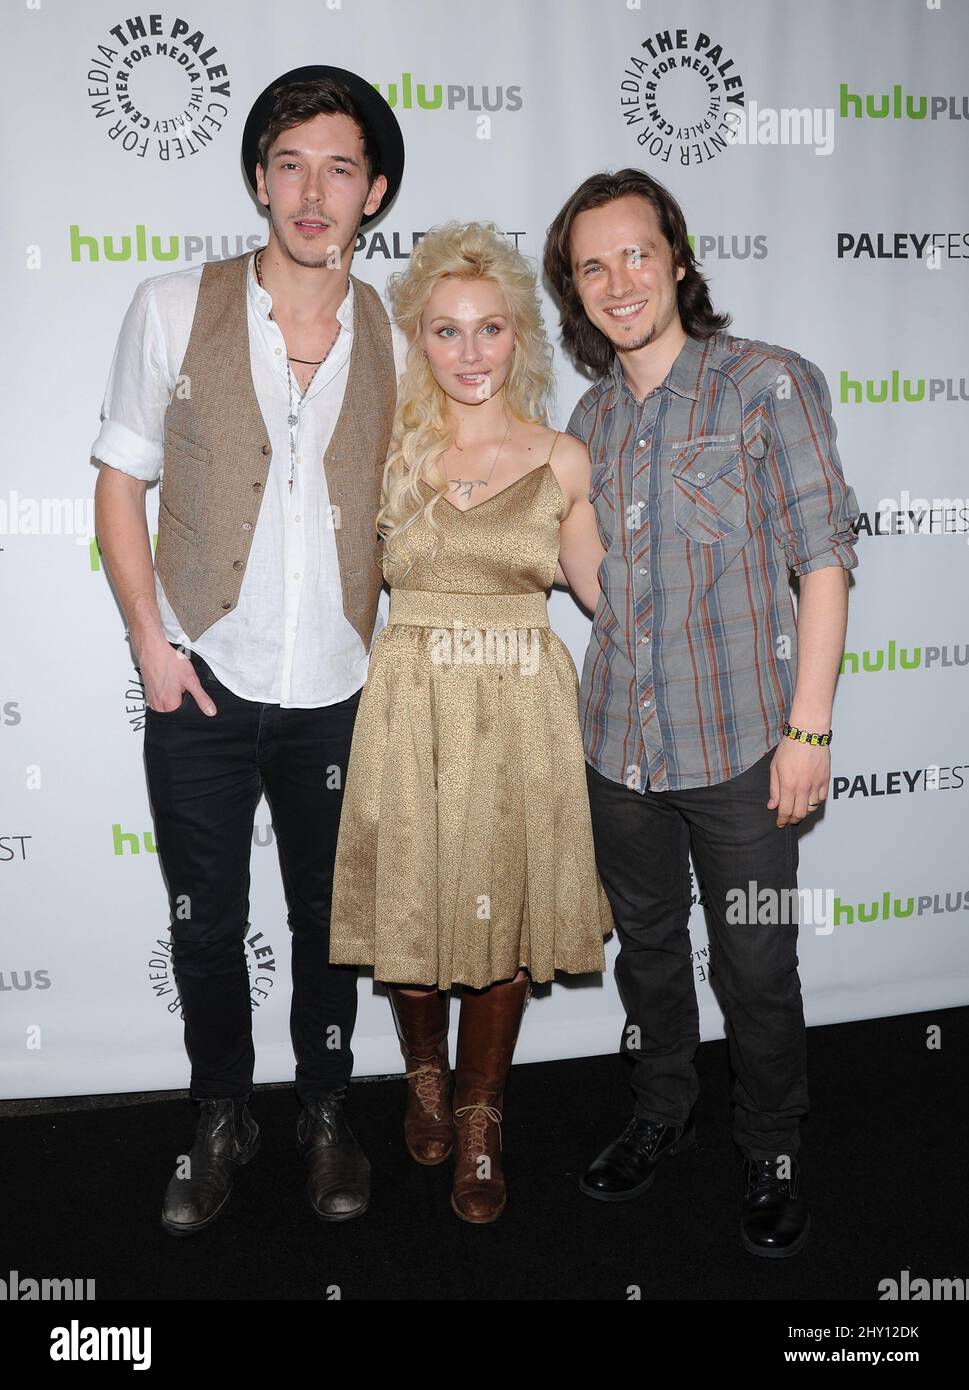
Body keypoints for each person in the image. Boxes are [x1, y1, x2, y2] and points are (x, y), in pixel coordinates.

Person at [90, 66, 406, 1234]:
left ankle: (328, 1108)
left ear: (373, 191)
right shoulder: (175, 307)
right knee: (205, 921)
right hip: (202, 683)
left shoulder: (394, 329)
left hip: (339, 688)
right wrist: (151, 650)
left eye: (338, 168)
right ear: (260, 179)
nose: (311, 191)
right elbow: (120, 483)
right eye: (289, 164)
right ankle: (220, 1109)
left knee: (333, 926)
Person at [543, 169, 860, 1257]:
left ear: (677, 258)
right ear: (574, 291)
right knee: (647, 950)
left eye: (637, 253)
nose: (619, 280)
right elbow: (597, 589)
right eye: (593, 265)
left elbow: (824, 561)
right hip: (618, 752)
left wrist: (808, 729)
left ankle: (771, 1142)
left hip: (741, 751)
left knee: (758, 962)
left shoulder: (765, 385)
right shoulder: (585, 421)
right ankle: (661, 1108)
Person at [328, 221, 615, 1224]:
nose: (469, 351)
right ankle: (423, 1072)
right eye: (445, 331)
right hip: (412, 701)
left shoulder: (563, 457)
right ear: (417, 337)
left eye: (489, 328)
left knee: (504, 913)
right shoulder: (382, 454)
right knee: (412, 898)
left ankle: (484, 1111)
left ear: (519, 337)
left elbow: (603, 592)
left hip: (520, 710)